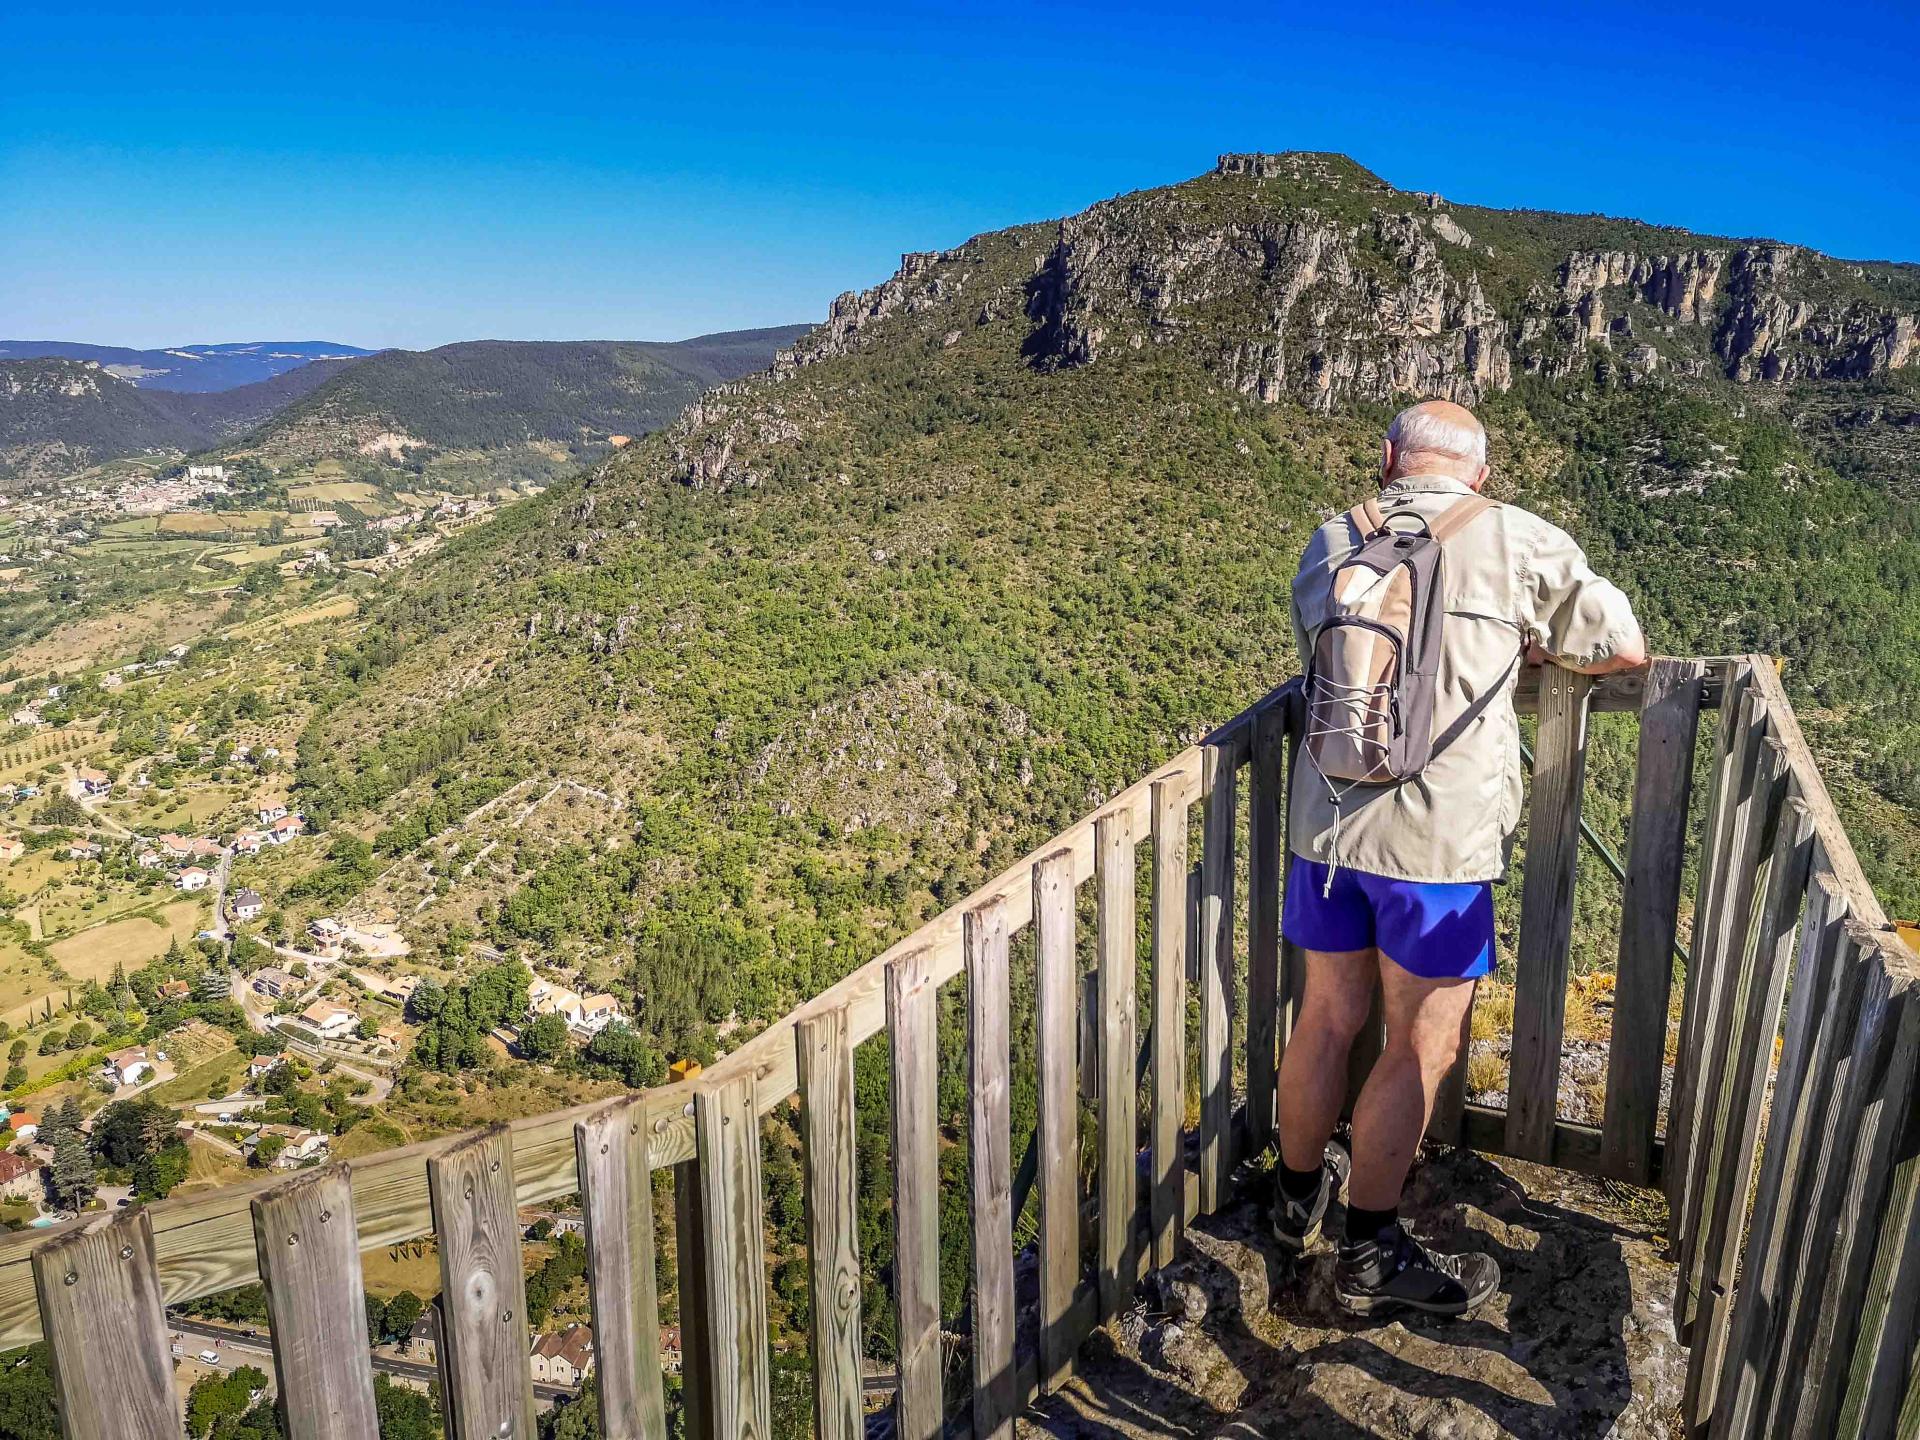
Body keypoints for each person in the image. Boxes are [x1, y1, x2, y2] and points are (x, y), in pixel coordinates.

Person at [1274, 399, 1645, 1317]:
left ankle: (1291, 1204)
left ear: (1390, 457)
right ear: (1479, 473)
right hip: (1434, 847)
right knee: (1419, 1043)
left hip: (1324, 827)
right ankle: (1370, 1252)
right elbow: (1622, 645)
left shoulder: (1330, 540)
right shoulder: (1519, 539)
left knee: (1324, 1019)